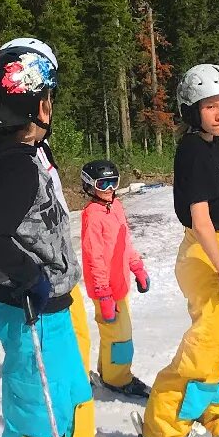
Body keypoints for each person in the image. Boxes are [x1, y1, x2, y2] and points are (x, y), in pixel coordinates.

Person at [0, 46, 122, 437]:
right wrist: (28, 275)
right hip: (27, 306)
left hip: (54, 304)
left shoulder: (29, 152)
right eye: (46, 98)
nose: (51, 106)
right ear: (31, 108)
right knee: (38, 412)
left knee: (75, 406)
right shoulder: (14, 165)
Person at [141, 63, 219, 437]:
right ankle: (165, 425)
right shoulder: (193, 150)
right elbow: (201, 218)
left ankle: (212, 420)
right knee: (205, 346)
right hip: (203, 253)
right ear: (193, 110)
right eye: (211, 107)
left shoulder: (215, 147)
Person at [79, 160, 151, 399]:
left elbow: (125, 243)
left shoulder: (116, 207)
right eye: (103, 184)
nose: (110, 188)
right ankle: (118, 379)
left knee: (115, 334)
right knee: (120, 337)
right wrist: (102, 292)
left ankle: (108, 371)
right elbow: (93, 256)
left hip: (120, 285)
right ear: (90, 186)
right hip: (105, 289)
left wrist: (137, 268)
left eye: (114, 183)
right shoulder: (92, 214)